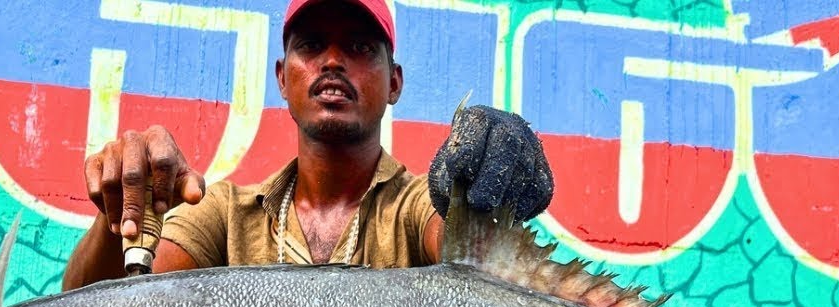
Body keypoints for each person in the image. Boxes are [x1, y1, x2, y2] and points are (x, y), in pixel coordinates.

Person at [62, 0, 554, 290]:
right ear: (282, 77)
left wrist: (490, 183)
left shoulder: (414, 203)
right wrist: (118, 218)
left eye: (360, 47)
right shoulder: (223, 213)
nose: (333, 61)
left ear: (395, 82)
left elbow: (458, 245)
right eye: (312, 45)